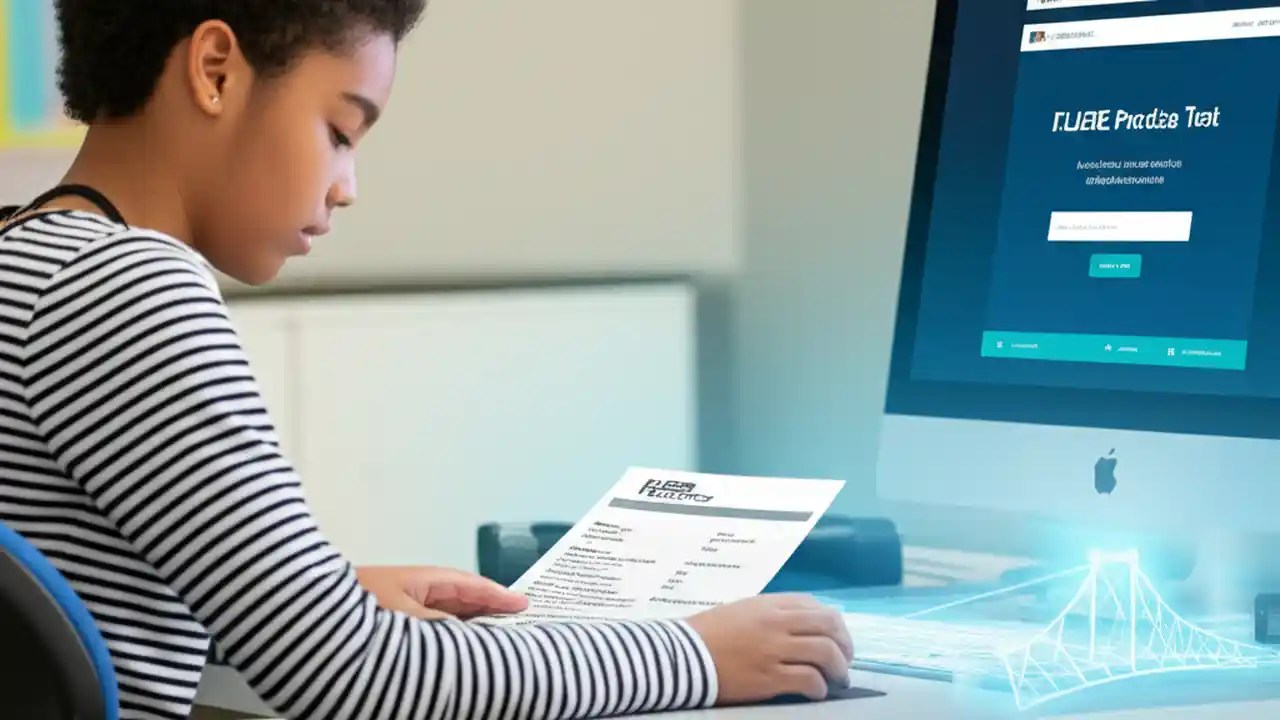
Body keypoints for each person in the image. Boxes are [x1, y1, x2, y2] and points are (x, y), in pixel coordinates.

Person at [0, 2, 854, 719]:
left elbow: (71, 604)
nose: (348, 185)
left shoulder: (24, 256)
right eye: (340, 130)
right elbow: (348, 675)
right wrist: (696, 655)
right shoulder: (126, 284)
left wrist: (307, 593)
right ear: (216, 68)